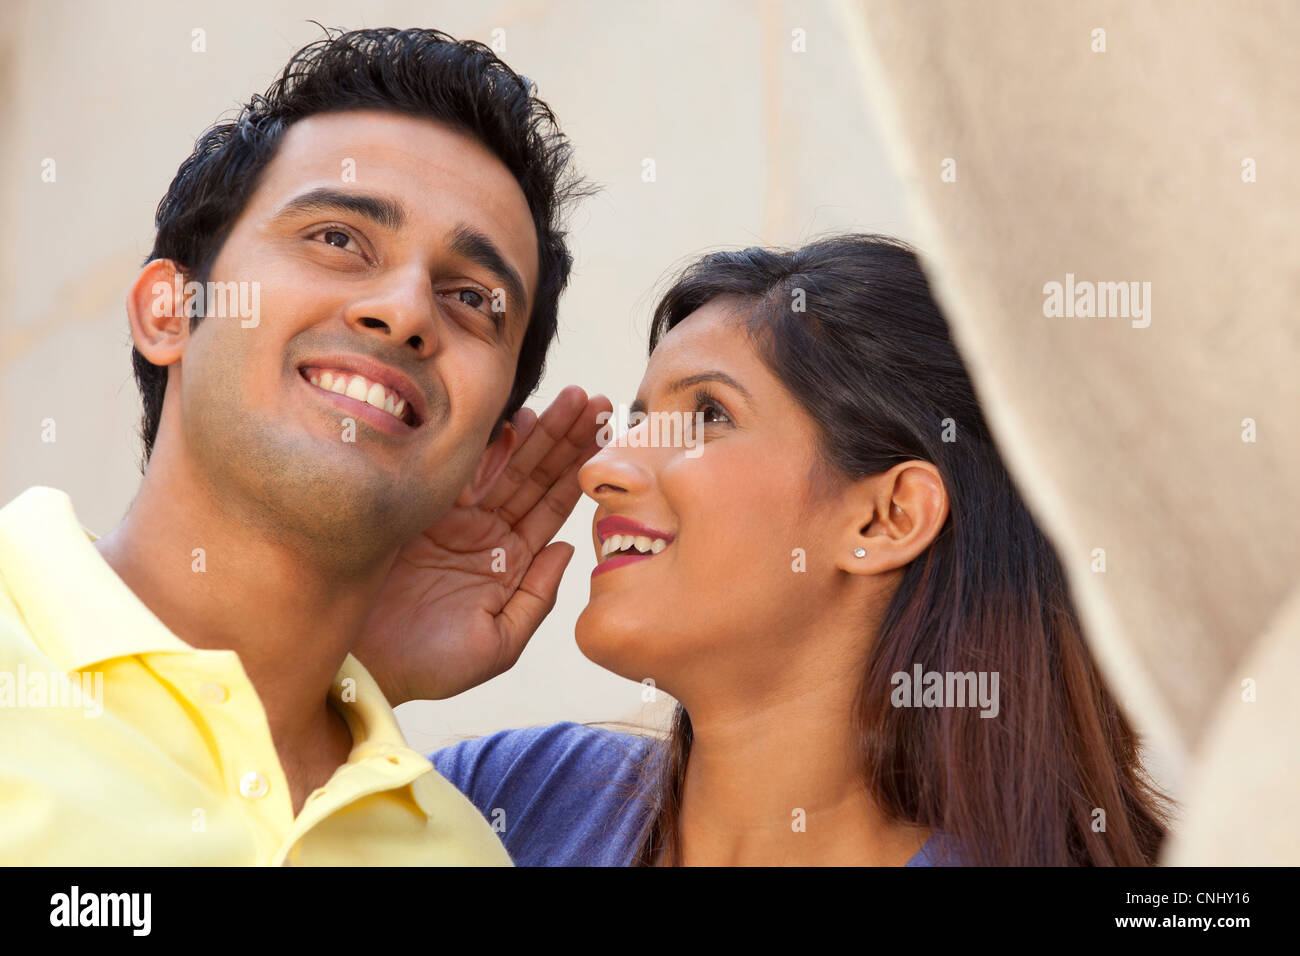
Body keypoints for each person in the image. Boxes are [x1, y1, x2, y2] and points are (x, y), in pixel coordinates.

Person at [0, 26, 608, 865]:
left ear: (488, 460)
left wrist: (352, 674)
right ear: (170, 311)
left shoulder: (465, 852)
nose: (403, 311)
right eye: (338, 239)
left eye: (472, 297)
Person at [424, 235, 1175, 866]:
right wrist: (381, 659)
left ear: (886, 518)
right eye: (635, 421)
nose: (602, 469)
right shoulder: (508, 802)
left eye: (707, 416)